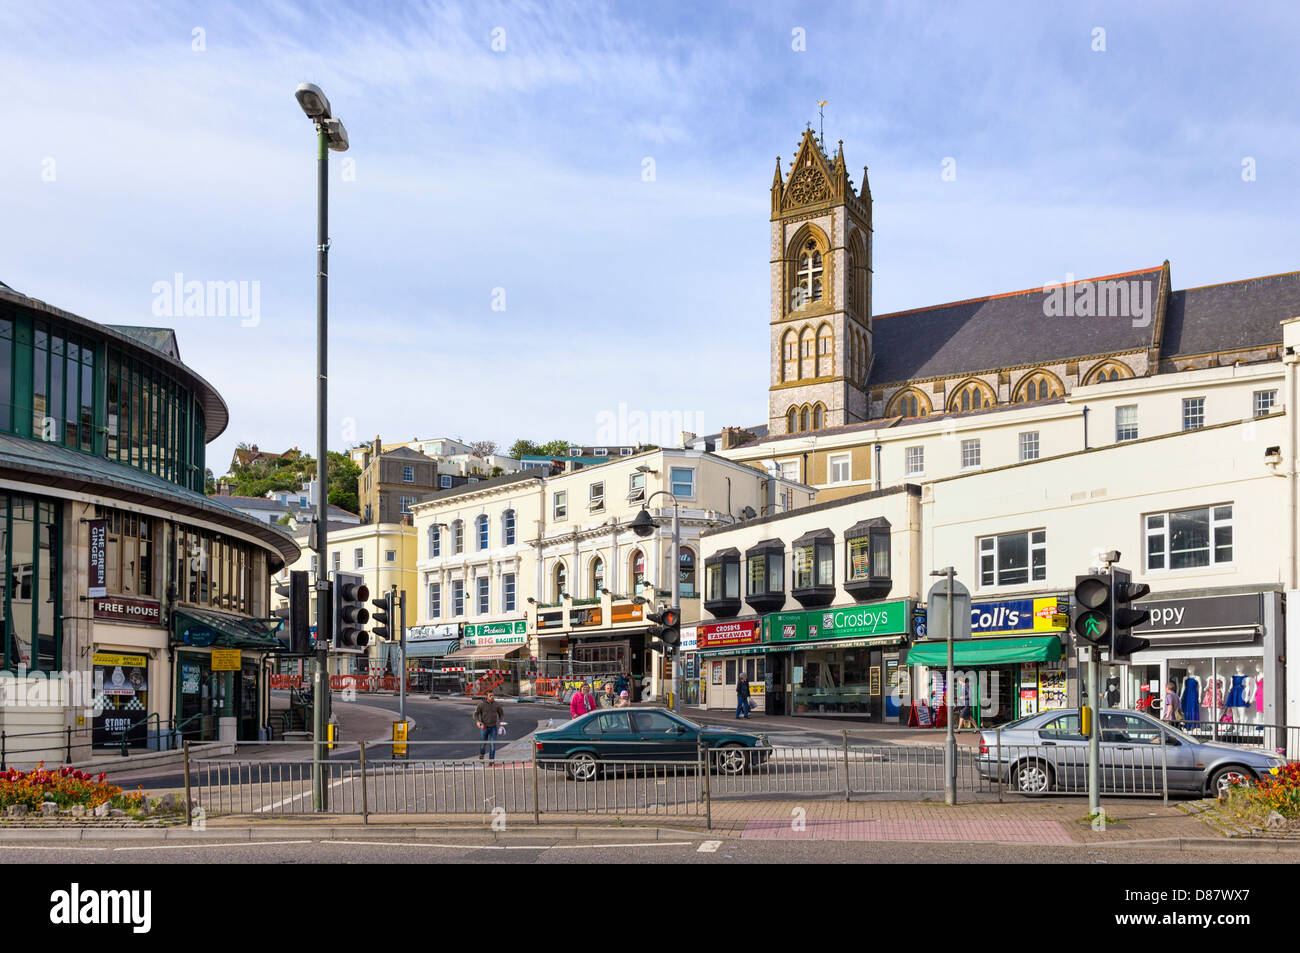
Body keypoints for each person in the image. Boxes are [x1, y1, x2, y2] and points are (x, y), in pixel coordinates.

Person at [474, 690, 505, 763]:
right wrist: (477, 721)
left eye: (493, 695)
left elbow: (501, 714)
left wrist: (501, 721)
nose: (492, 697)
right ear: (486, 697)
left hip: (493, 728)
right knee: (483, 745)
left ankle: (491, 761)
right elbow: (475, 714)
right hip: (484, 727)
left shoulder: (496, 704)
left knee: (493, 745)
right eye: (490, 696)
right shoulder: (481, 704)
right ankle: (482, 754)